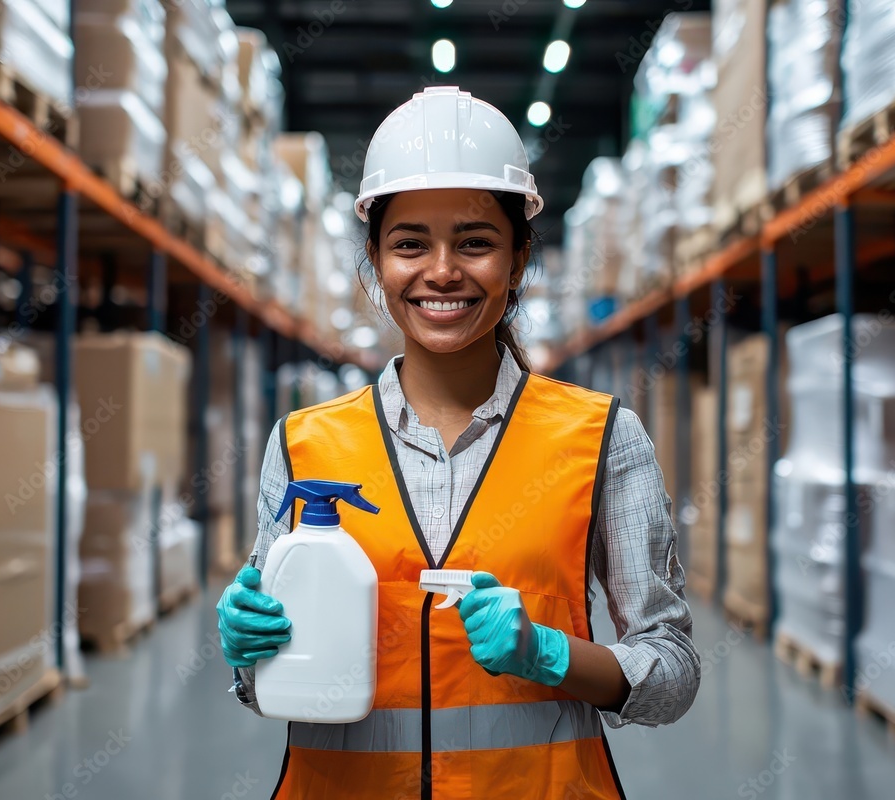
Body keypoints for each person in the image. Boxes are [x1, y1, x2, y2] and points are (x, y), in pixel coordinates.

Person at [217, 86, 700, 800]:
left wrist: (549, 654)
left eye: (475, 241)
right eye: (410, 242)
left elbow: (674, 675)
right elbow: (267, 688)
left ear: (518, 256)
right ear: (376, 259)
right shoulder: (302, 445)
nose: (442, 270)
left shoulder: (601, 438)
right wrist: (250, 655)